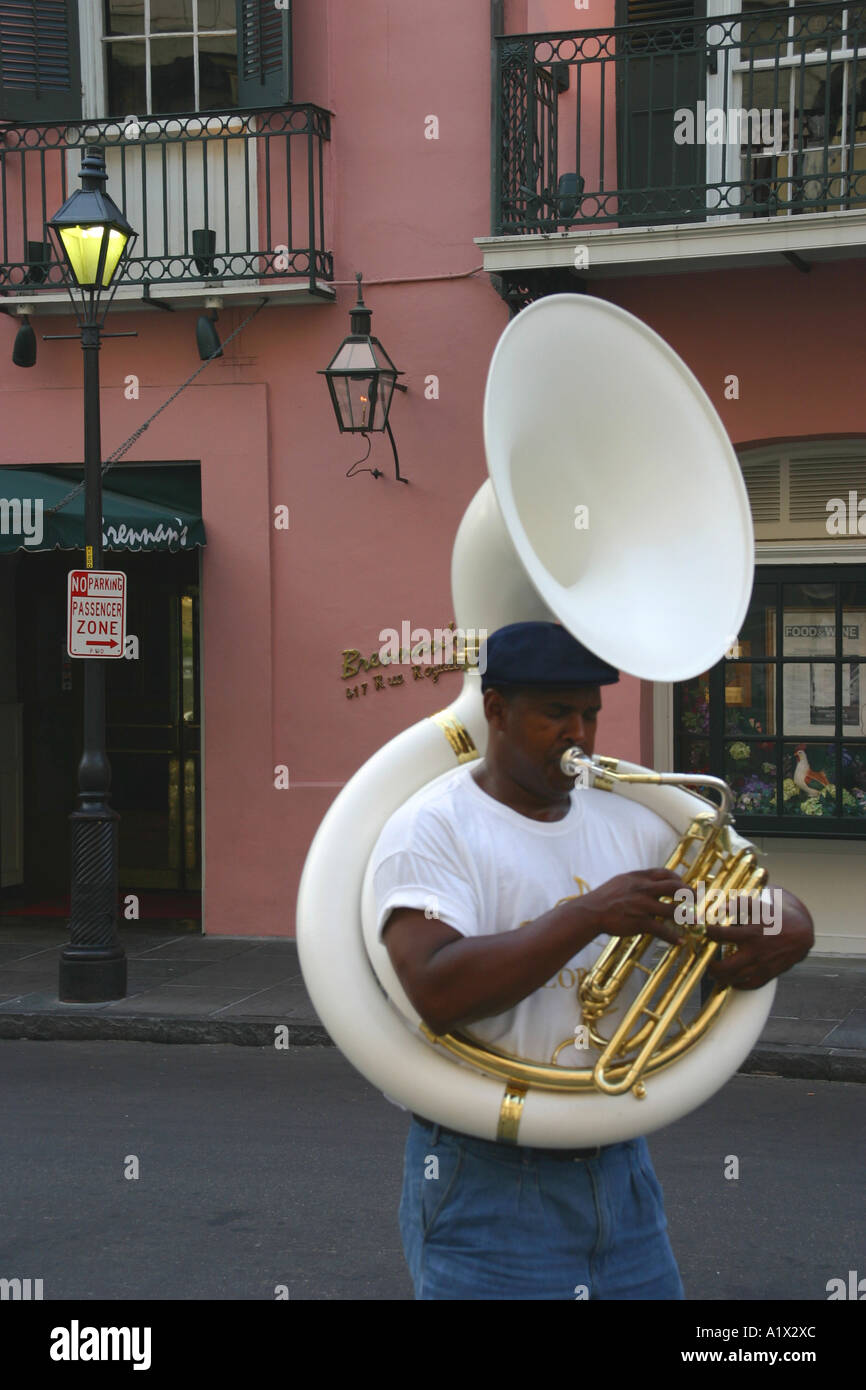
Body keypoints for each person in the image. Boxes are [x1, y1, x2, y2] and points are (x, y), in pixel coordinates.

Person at [369, 621, 814, 1301]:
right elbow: (435, 987)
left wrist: (789, 922)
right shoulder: (434, 826)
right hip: (485, 1171)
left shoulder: (632, 821)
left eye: (590, 713)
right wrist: (586, 916)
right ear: (496, 710)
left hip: (619, 1160)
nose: (579, 733)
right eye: (556, 713)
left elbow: (740, 894)